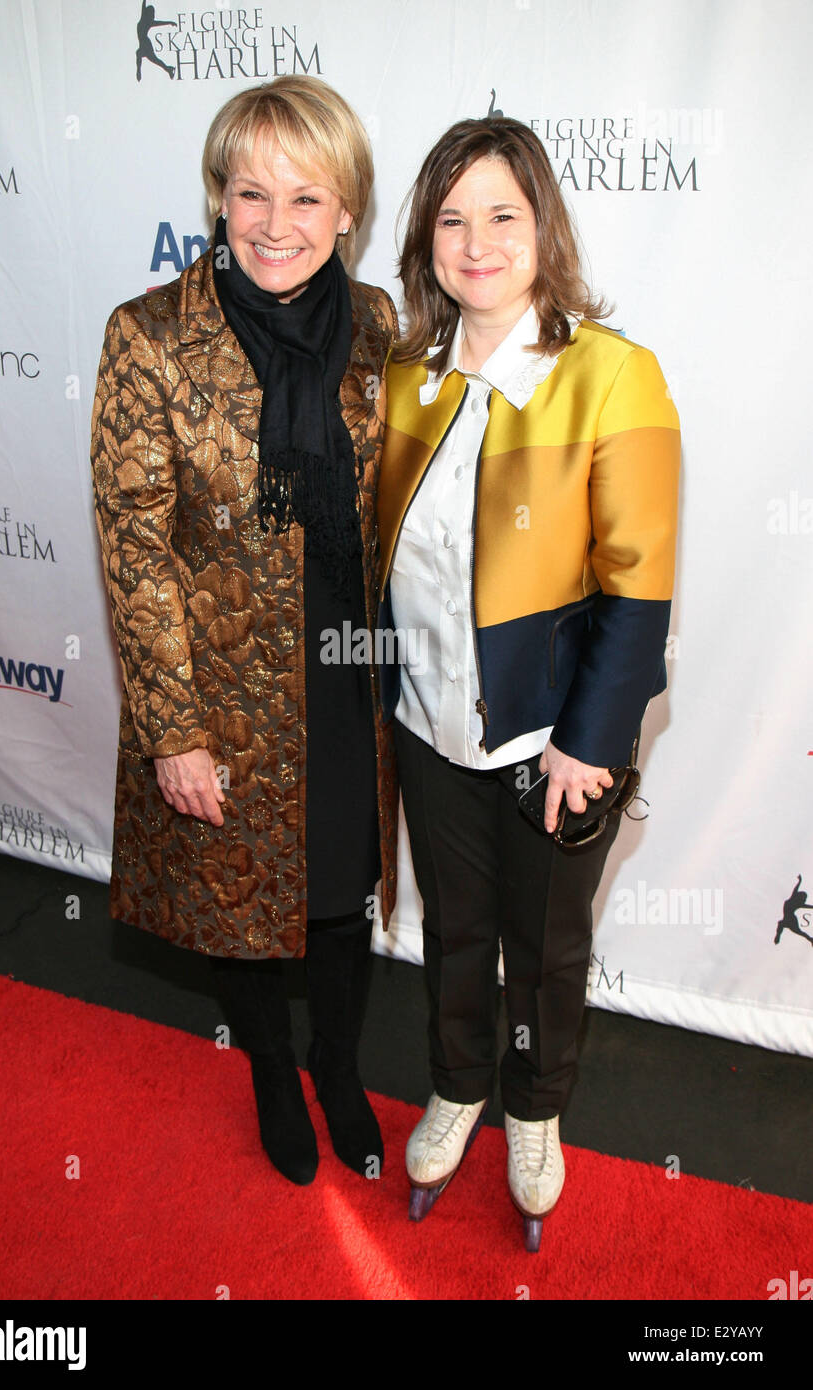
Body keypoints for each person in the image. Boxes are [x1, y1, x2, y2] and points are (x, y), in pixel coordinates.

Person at [90, 76, 399, 1188]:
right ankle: (272, 1067)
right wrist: (172, 729)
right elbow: (134, 548)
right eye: (250, 193)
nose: (276, 226)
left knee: (336, 890)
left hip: (344, 678)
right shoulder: (151, 338)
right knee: (242, 898)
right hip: (219, 681)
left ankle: (338, 1065)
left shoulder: (373, 327)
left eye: (306, 198)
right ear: (217, 197)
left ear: (348, 210)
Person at [377, 116, 680, 1248]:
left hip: (551, 748)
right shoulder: (403, 379)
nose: (476, 240)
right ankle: (458, 1084)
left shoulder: (611, 375)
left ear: (542, 225)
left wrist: (589, 740)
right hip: (426, 731)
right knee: (455, 930)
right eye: (451, 218)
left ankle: (534, 1108)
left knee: (544, 949)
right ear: (426, 241)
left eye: (501, 213)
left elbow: (637, 586)